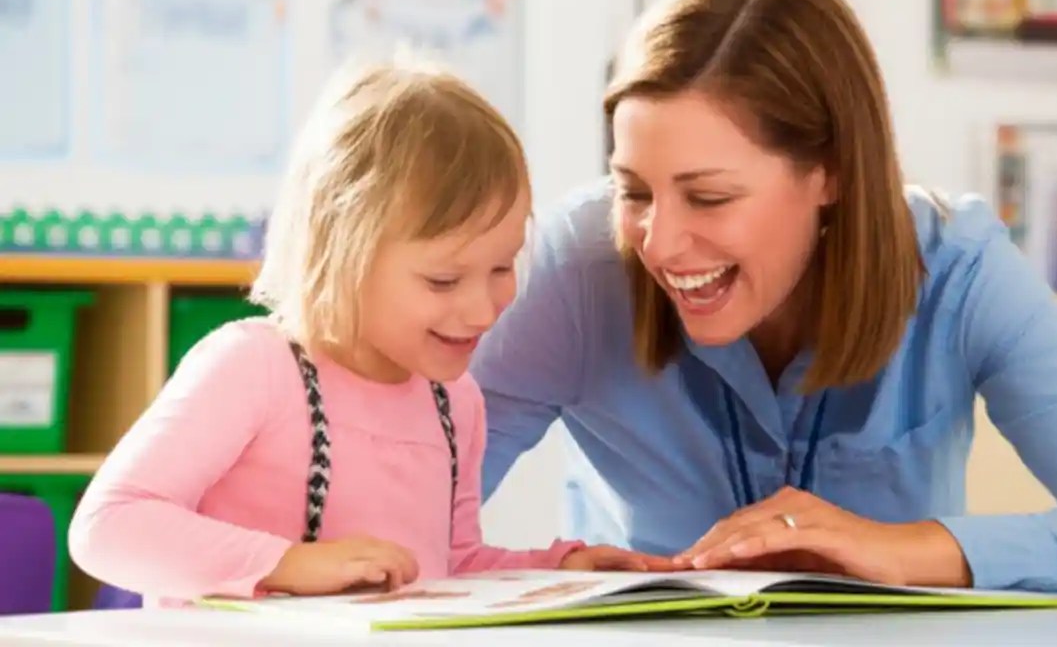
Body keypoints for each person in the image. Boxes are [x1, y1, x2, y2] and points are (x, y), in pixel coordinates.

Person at [472, 0, 1057, 595]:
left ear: (829, 172)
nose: (659, 241)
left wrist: (905, 550)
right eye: (633, 191)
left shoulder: (957, 271)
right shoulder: (582, 266)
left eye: (709, 196)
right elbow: (412, 505)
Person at [68, 54, 658, 607]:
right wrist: (287, 564)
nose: (483, 310)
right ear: (343, 252)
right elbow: (109, 525)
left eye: (503, 267)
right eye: (444, 281)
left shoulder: (454, 401)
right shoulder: (255, 367)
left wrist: (555, 570)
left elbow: (445, 567)